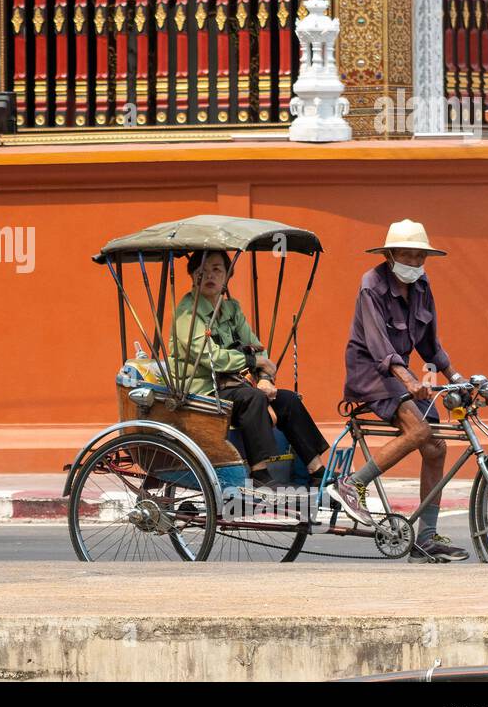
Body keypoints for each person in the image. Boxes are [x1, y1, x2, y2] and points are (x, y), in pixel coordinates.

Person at [332, 219, 469, 563]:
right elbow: (378, 344)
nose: (414, 264)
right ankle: (352, 484)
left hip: (401, 374)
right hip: (370, 371)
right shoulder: (371, 285)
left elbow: (430, 344)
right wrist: (407, 379)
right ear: (390, 254)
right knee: (419, 430)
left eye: (419, 257)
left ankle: (425, 539)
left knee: (436, 446)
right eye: (407, 256)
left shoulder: (422, 284)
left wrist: (456, 376)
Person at [168, 250, 331, 488]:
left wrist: (264, 377)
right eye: (202, 271)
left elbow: (257, 347)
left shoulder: (231, 309)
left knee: (287, 399)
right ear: (193, 276)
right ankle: (260, 472)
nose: (210, 276)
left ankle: (315, 469)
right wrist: (253, 363)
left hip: (233, 386)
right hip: (201, 391)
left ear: (227, 276)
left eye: (217, 270)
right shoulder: (187, 313)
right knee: (251, 398)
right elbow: (209, 356)